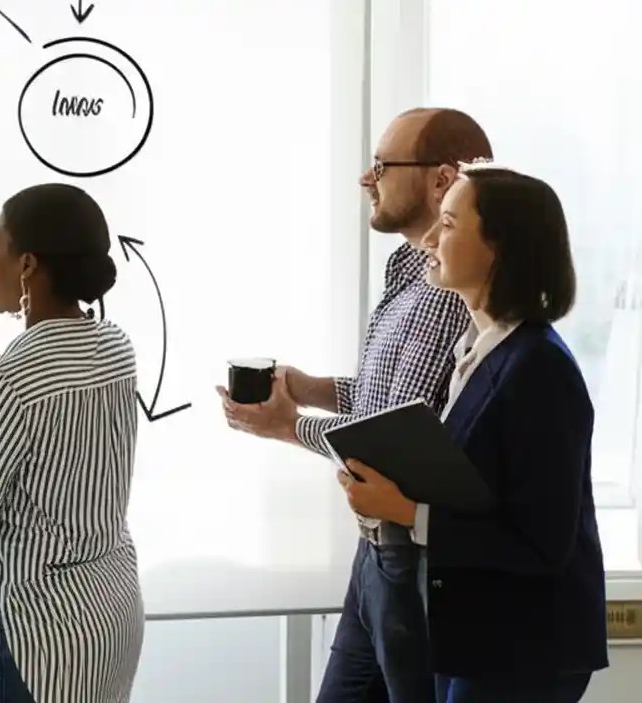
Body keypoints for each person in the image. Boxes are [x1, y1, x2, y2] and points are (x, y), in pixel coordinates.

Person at [218, 108, 494, 702]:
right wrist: (313, 388)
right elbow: (385, 398)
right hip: (374, 554)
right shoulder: (409, 271)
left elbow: (394, 436)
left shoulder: (448, 291)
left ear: (441, 179)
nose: (366, 180)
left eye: (381, 166)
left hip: (409, 561)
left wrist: (290, 427)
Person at [338, 165, 609, 702]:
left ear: (499, 247)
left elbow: (543, 543)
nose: (431, 241)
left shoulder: (540, 368)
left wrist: (407, 513)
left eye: (449, 224)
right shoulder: (476, 349)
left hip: (523, 647)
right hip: (474, 632)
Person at [0, 183, 144, 703]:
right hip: (110, 619)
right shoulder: (116, 347)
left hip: (33, 639)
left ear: (26, 265)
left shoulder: (9, 383)